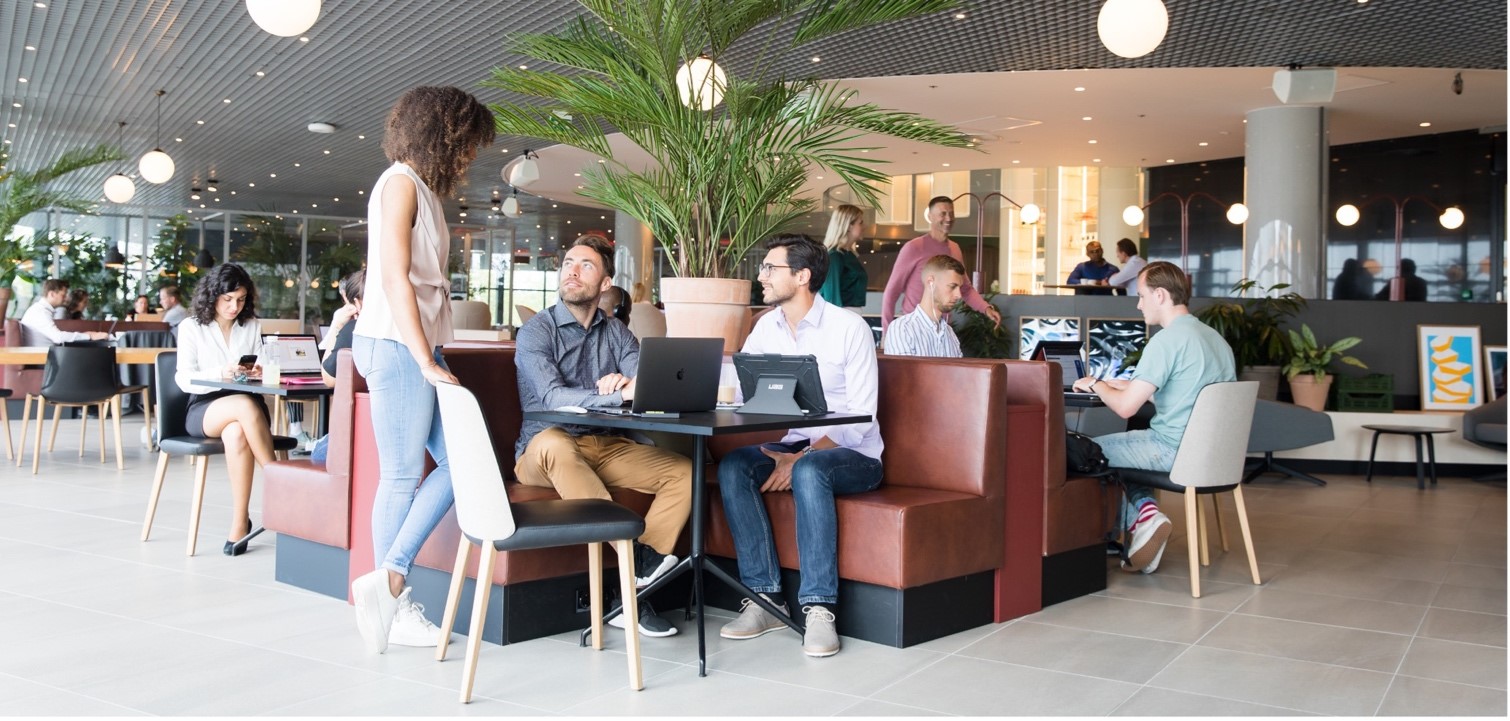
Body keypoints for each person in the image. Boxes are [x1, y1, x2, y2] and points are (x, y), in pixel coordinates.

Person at [347, 86, 495, 656]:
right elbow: (391, 277)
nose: (470, 157)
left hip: (412, 346)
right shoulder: (400, 183)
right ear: (445, 135)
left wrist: (429, 353)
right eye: (468, 144)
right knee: (403, 475)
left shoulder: (420, 189)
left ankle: (387, 585)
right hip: (399, 346)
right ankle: (393, 595)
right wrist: (424, 358)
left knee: (463, 463)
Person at [514, 236, 692, 638]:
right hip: (543, 446)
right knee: (558, 445)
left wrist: (631, 381)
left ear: (605, 283)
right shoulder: (536, 333)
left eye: (586, 265)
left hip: (605, 446)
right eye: (569, 263)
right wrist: (612, 396)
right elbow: (553, 398)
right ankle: (637, 564)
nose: (573, 271)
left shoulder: (617, 333)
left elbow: (646, 379)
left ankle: (631, 593)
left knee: (684, 472)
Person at [718, 234, 883, 658]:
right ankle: (766, 600)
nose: (761, 276)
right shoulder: (765, 327)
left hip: (856, 457)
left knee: (810, 470)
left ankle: (819, 609)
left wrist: (803, 456)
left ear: (802, 276)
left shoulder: (849, 329)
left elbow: (861, 420)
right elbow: (741, 391)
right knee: (735, 466)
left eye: (770, 268)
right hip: (794, 445)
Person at [1070, 261, 1235, 574]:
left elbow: (1125, 409)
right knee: (1118, 455)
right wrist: (1133, 386)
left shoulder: (1166, 341)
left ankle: (1141, 519)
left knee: (1084, 453)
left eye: (1142, 295)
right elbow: (1189, 395)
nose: (1138, 302)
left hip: (1171, 449)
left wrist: (1098, 384)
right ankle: (1146, 515)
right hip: (1213, 455)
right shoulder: (1215, 339)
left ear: (1160, 295)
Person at [173, 264, 279, 557]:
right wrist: (222, 373)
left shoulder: (252, 325)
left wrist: (259, 371)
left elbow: (265, 370)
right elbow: (183, 378)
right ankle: (279, 481)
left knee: (236, 433)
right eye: (228, 299)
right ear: (213, 296)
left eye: (241, 299)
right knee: (242, 406)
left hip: (248, 407)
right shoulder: (191, 327)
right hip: (205, 407)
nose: (235, 306)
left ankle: (239, 522)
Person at [880, 195, 1001, 330]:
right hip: (914, 327)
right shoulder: (913, 247)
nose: (948, 218)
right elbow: (892, 292)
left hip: (942, 329)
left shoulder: (955, 249)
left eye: (951, 213)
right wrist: (887, 331)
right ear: (930, 216)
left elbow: (965, 288)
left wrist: (986, 309)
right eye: (943, 214)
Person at [306, 269, 366, 464]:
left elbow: (329, 378)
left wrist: (338, 326)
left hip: (362, 431)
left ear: (356, 303)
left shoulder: (355, 329)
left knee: (318, 453)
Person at [884, 254, 964, 358]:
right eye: (952, 286)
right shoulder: (903, 329)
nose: (959, 295)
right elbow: (903, 374)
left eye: (959, 288)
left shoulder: (950, 333)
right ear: (930, 282)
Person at [20, 279, 109, 345]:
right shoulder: (40, 312)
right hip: (43, 359)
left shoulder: (41, 310)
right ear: (52, 294)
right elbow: (58, 337)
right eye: (63, 295)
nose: (66, 298)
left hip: (48, 356)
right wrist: (89, 336)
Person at [818, 204, 868, 309]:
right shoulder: (834, 255)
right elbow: (831, 297)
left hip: (851, 314)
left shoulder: (848, 254)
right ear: (849, 225)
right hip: (842, 315)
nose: (864, 227)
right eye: (860, 223)